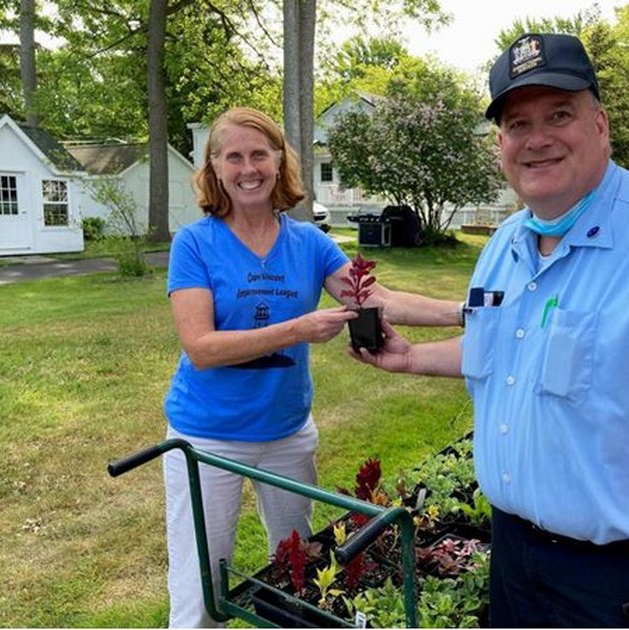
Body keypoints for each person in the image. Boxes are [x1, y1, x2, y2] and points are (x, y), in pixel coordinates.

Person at [350, 33, 629, 628]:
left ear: (600, 124)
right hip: (514, 559)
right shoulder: (504, 246)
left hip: (623, 582)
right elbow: (504, 350)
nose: (537, 138)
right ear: (500, 145)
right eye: (518, 124)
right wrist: (411, 357)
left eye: (559, 114)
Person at [162, 106, 461, 628]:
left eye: (260, 154)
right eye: (234, 156)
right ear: (214, 166)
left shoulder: (308, 242)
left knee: (295, 576)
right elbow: (201, 348)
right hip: (207, 440)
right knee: (201, 589)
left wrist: (468, 311)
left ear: (280, 162)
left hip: (286, 436)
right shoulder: (195, 243)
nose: (248, 168)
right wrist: (298, 329)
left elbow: (376, 298)